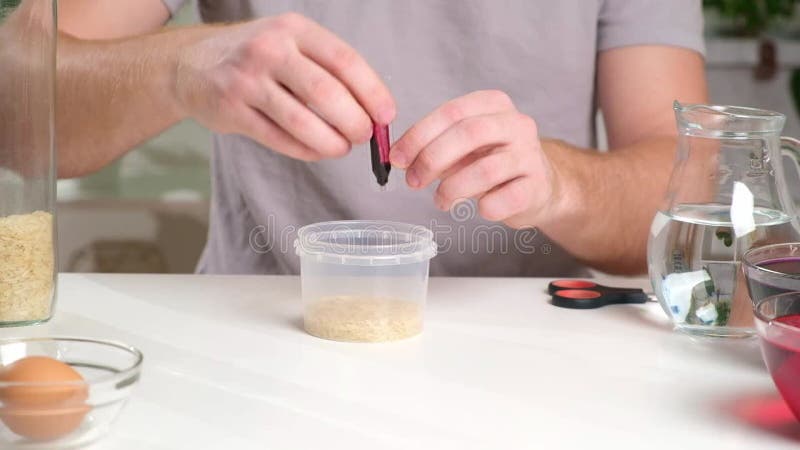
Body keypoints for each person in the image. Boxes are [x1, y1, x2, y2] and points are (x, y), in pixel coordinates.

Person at [52, 0, 707, 276]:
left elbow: (689, 191)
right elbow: (18, 101)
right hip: (256, 340)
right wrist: (181, 69)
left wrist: (563, 186)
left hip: (533, 352)